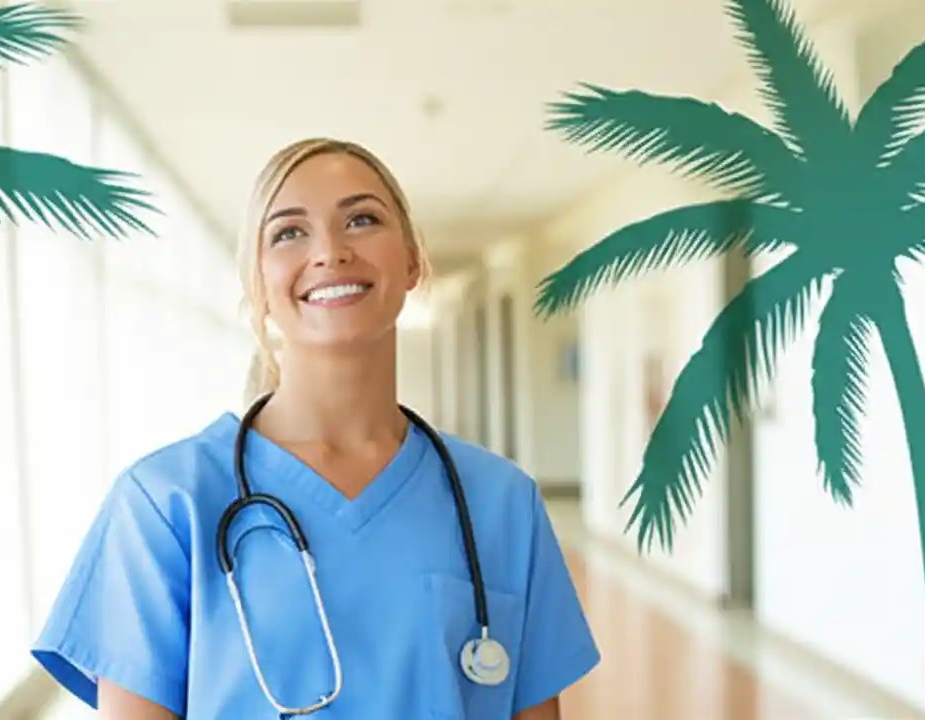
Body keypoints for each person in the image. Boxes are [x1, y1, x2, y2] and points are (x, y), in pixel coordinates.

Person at [30, 137, 600, 719]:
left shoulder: (501, 503)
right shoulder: (164, 503)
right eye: (288, 232)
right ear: (259, 284)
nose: (330, 250)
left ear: (412, 260)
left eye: (361, 219)